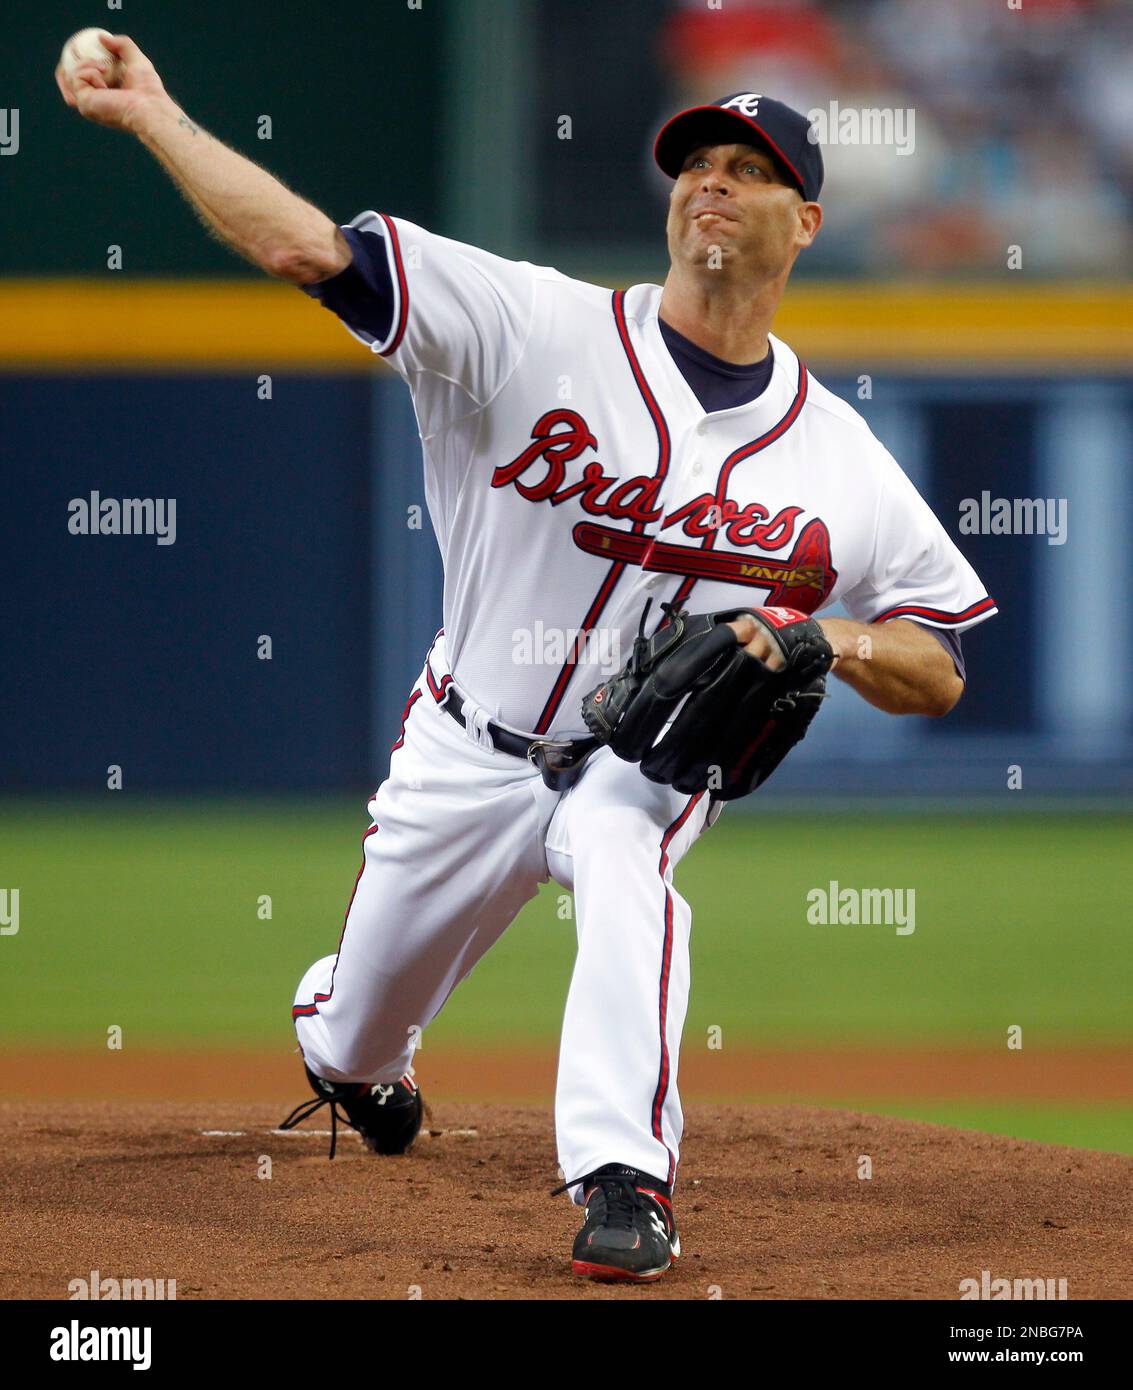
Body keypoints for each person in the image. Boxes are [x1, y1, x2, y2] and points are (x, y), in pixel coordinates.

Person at [58, 43, 994, 1284]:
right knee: (351, 1044)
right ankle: (352, 1050)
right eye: (697, 164)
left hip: (635, 765)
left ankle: (624, 1180)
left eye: (749, 171)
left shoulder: (838, 457)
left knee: (627, 847)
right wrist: (158, 115)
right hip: (465, 743)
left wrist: (833, 633)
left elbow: (936, 663)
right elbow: (305, 249)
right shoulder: (529, 321)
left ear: (805, 221)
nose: (711, 184)